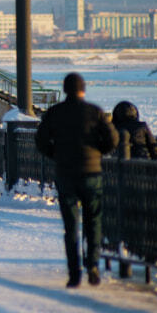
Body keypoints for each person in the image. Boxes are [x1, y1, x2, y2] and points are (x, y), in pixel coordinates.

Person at [36, 72, 119, 288]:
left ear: (65, 90)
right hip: (91, 174)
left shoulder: (55, 113)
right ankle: (92, 264)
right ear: (83, 89)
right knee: (94, 221)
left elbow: (41, 140)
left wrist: (56, 154)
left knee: (71, 226)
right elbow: (113, 139)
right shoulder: (95, 112)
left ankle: (74, 274)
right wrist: (97, 152)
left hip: (66, 174)